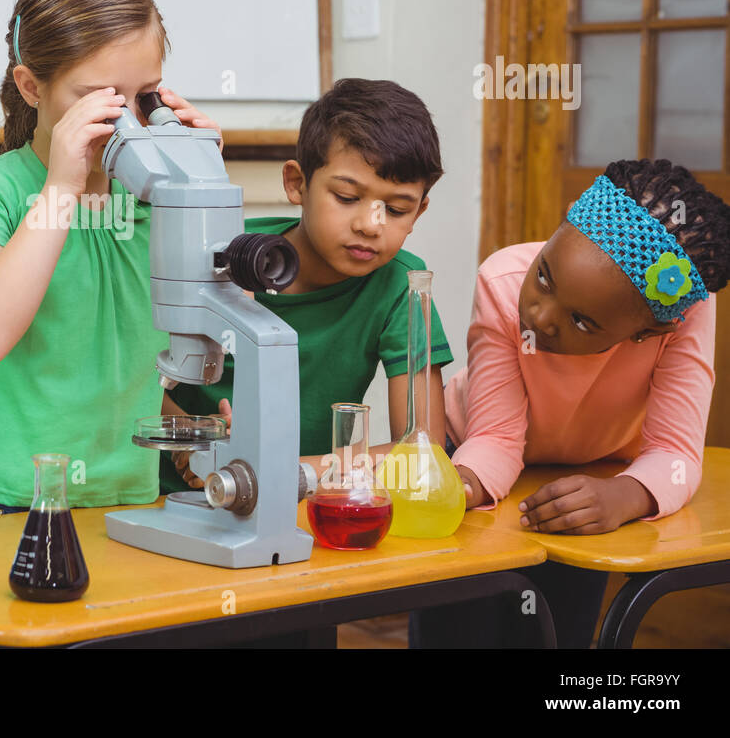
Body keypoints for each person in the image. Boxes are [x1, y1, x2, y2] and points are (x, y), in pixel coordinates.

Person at [0, 0, 222, 523]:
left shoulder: (160, 201)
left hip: (126, 496)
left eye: (144, 97)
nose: (127, 120)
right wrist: (61, 187)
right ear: (31, 86)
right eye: (100, 100)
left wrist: (202, 188)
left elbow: (221, 324)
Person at [412, 158, 728, 647]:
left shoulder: (684, 315)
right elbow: (495, 438)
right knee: (457, 626)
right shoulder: (501, 282)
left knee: (556, 630)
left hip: (591, 480)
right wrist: (456, 488)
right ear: (560, 228)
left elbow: (676, 454)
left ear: (648, 332)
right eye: (544, 277)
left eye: (582, 322)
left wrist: (623, 496)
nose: (538, 316)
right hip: (474, 457)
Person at [165, 78, 453, 491]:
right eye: (347, 197)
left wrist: (279, 474)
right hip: (169, 496)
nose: (369, 226)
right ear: (297, 183)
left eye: (394, 209)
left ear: (419, 210)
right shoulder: (215, 254)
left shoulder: (402, 286)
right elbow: (126, 375)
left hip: (302, 506)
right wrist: (189, 436)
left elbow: (422, 449)